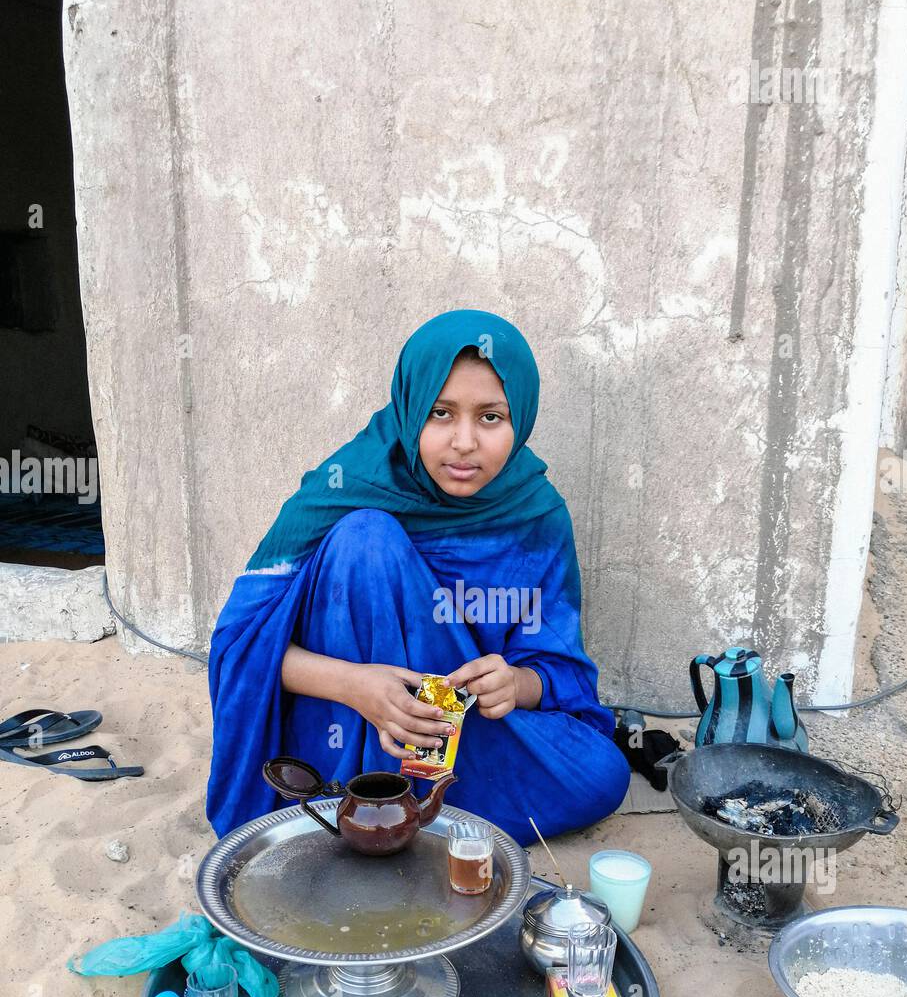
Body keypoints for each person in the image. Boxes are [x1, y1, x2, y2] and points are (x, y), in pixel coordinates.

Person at [206, 309, 630, 845]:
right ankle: (366, 797)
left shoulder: (536, 516)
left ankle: (415, 803)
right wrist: (358, 688)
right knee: (367, 540)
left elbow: (559, 671)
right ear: (410, 409)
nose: (464, 441)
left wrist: (514, 685)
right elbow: (238, 647)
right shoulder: (347, 488)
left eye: (491, 417)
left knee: (602, 774)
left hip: (459, 732)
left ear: (521, 416)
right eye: (441, 413)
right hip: (347, 721)